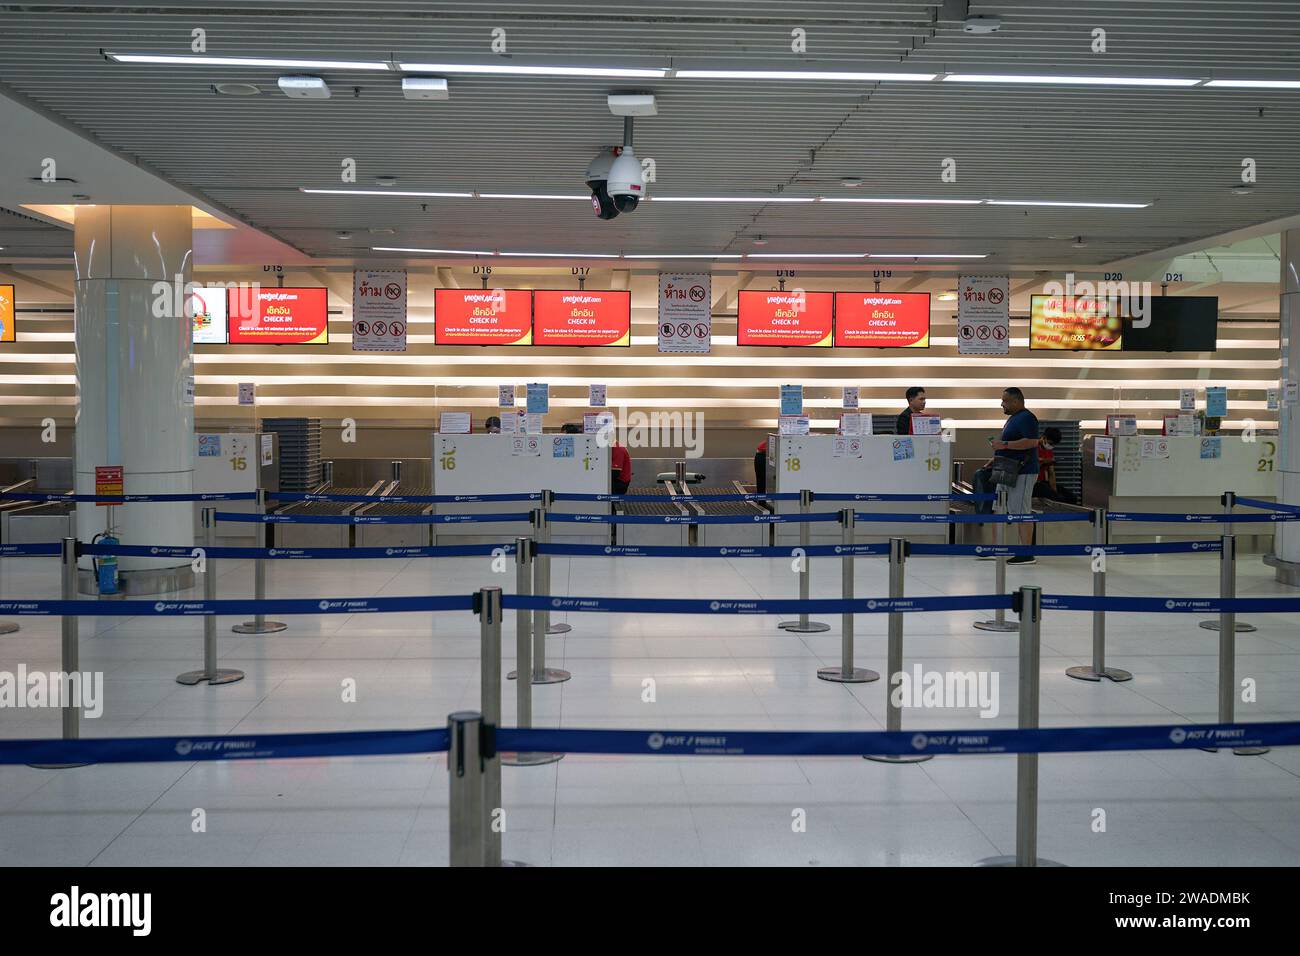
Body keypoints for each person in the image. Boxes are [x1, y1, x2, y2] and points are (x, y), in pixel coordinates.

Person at [989, 387, 1039, 564]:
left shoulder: (1027, 418)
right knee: (998, 507)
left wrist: (1003, 445)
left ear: (1017, 401)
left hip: (1022, 472)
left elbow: (1032, 442)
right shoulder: (1014, 419)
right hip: (1007, 469)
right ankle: (996, 547)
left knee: (1021, 510)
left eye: (1005, 401)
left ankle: (1026, 552)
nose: (1002, 404)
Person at [1033, 427, 1078, 505]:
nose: (1051, 446)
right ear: (1044, 437)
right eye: (1050, 443)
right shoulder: (1032, 448)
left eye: (1053, 444)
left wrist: (1054, 491)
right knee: (1058, 499)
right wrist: (1043, 461)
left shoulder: (1048, 451)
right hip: (1032, 483)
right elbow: (1029, 467)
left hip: (1043, 483)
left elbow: (1051, 473)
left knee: (1071, 498)